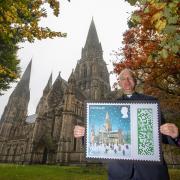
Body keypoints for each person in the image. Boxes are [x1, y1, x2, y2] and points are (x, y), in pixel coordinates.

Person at [74, 68, 180, 180]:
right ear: (119, 83)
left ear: (135, 81)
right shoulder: (110, 106)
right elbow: (100, 139)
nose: (127, 81)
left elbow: (161, 134)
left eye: (130, 78)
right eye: (123, 79)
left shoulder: (151, 103)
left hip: (151, 172)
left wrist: (175, 135)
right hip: (119, 174)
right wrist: (84, 134)